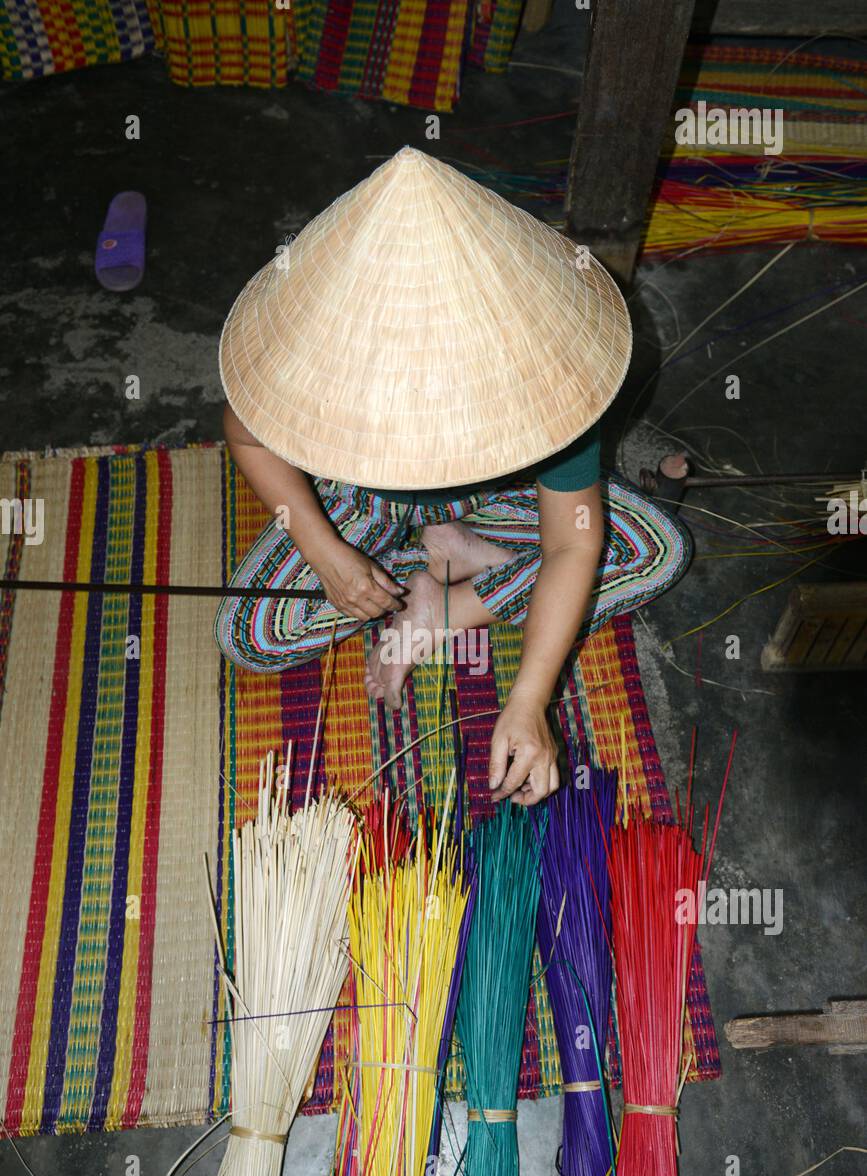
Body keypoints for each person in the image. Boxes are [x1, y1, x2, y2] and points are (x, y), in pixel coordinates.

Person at [215, 149, 690, 806]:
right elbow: (244, 433)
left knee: (654, 551)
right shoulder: (320, 365)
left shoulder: (544, 385)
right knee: (251, 634)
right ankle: (439, 557)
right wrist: (326, 555)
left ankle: (449, 599)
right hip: (362, 498)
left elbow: (573, 543)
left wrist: (527, 701)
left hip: (498, 494)